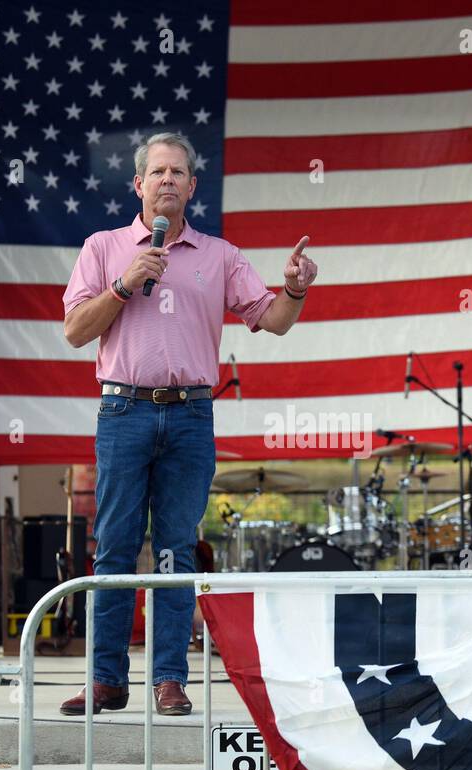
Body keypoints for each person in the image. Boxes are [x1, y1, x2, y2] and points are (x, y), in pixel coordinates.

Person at [58, 132, 317, 716]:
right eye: (158, 172)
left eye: (179, 172)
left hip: (191, 413)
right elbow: (75, 331)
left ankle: (169, 678)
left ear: (192, 186)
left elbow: (273, 319)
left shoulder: (220, 256)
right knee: (115, 547)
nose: (168, 180)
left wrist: (296, 290)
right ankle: (107, 679)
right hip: (124, 408)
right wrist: (125, 283)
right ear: (139, 185)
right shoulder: (103, 247)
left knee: (177, 548)